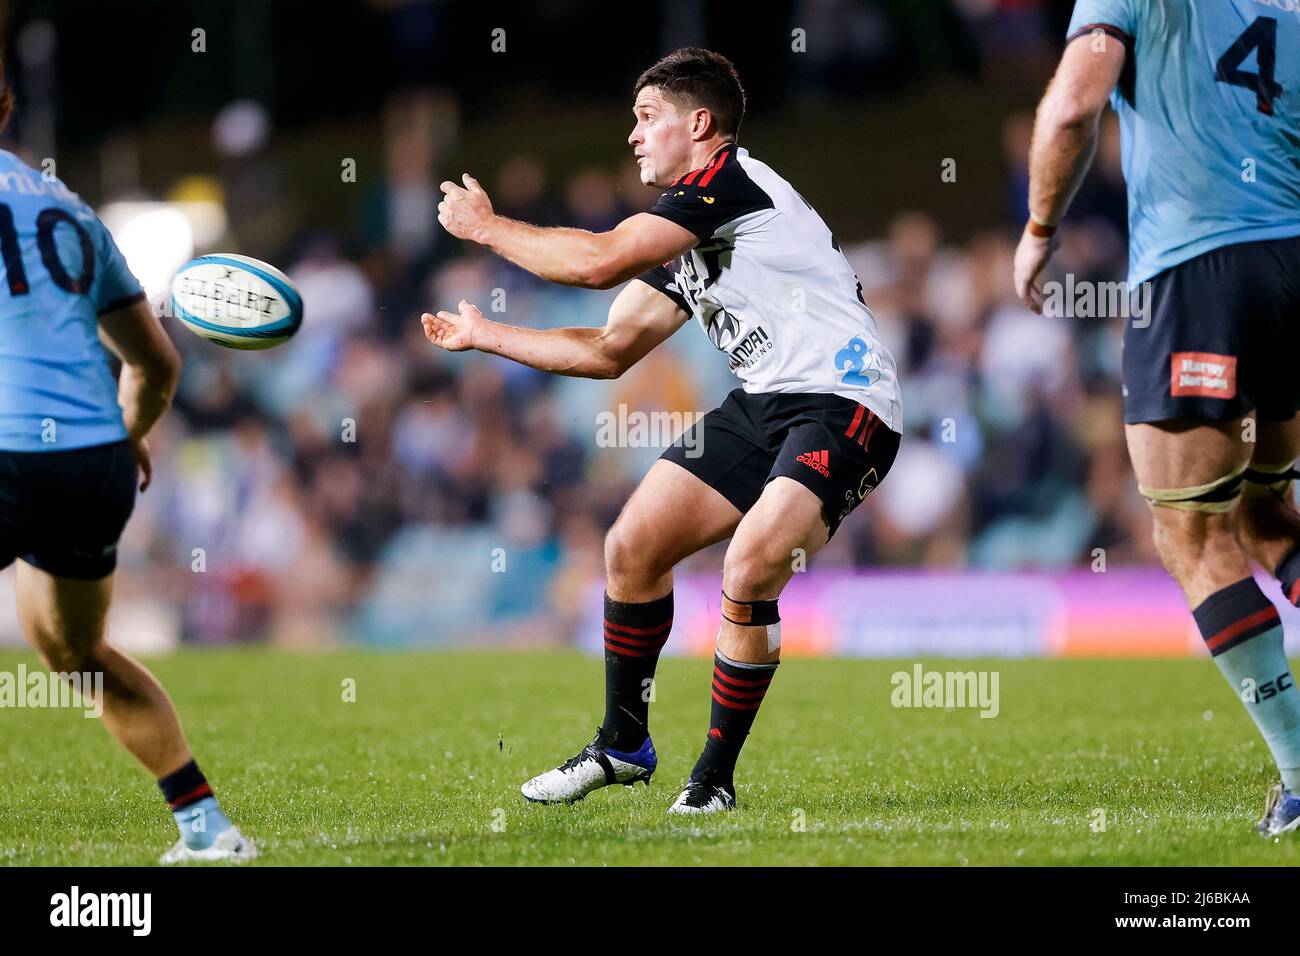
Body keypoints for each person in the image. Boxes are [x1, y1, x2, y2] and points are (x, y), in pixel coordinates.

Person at [424, 48, 901, 813]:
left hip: (845, 401)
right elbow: (611, 349)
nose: (634, 136)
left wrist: (487, 228)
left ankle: (712, 783)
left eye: (648, 118)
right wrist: (487, 336)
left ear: (700, 124)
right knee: (631, 547)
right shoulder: (692, 229)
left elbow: (601, 262)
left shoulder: (727, 183)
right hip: (766, 401)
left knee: (747, 571)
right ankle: (621, 745)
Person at [1013, 1, 1300, 835]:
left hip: (1200, 269)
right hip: (1290, 264)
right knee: (1264, 511)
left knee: (1190, 534)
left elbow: (1073, 104)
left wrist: (1039, 230)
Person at [0, 70, 255, 861]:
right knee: (74, 653)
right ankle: (207, 829)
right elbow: (156, 364)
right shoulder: (69, 206)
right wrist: (125, 433)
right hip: (92, 464)